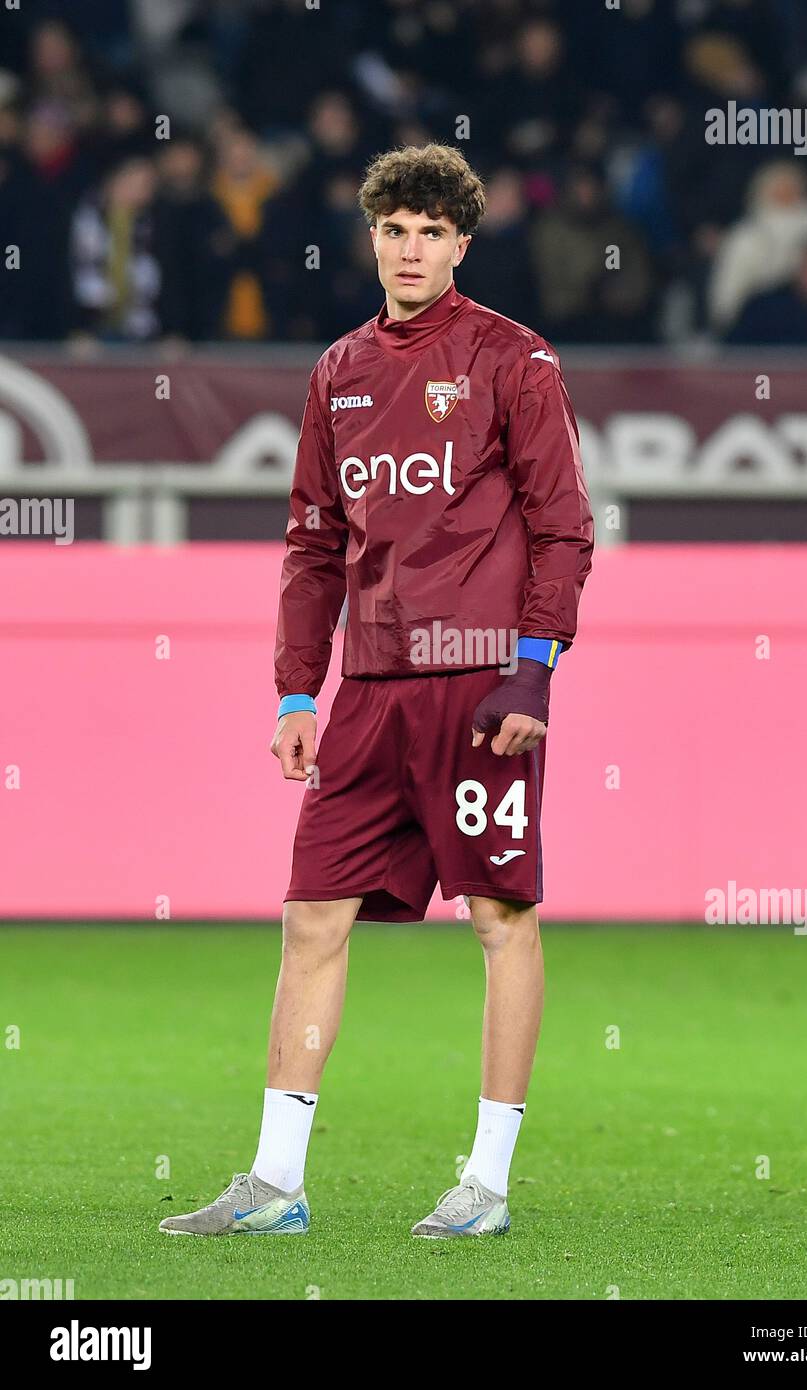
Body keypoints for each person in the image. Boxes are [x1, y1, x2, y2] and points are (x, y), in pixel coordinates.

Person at [159, 143, 594, 1240]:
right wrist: (295, 692)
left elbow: (562, 527)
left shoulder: (513, 360)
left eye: (429, 233)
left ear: (460, 243)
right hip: (369, 691)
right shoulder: (338, 372)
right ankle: (274, 1181)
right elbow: (312, 544)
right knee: (311, 914)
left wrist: (533, 667)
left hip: (481, 687)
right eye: (391, 230)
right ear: (372, 238)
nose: (409, 249)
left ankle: (485, 1182)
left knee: (498, 916)